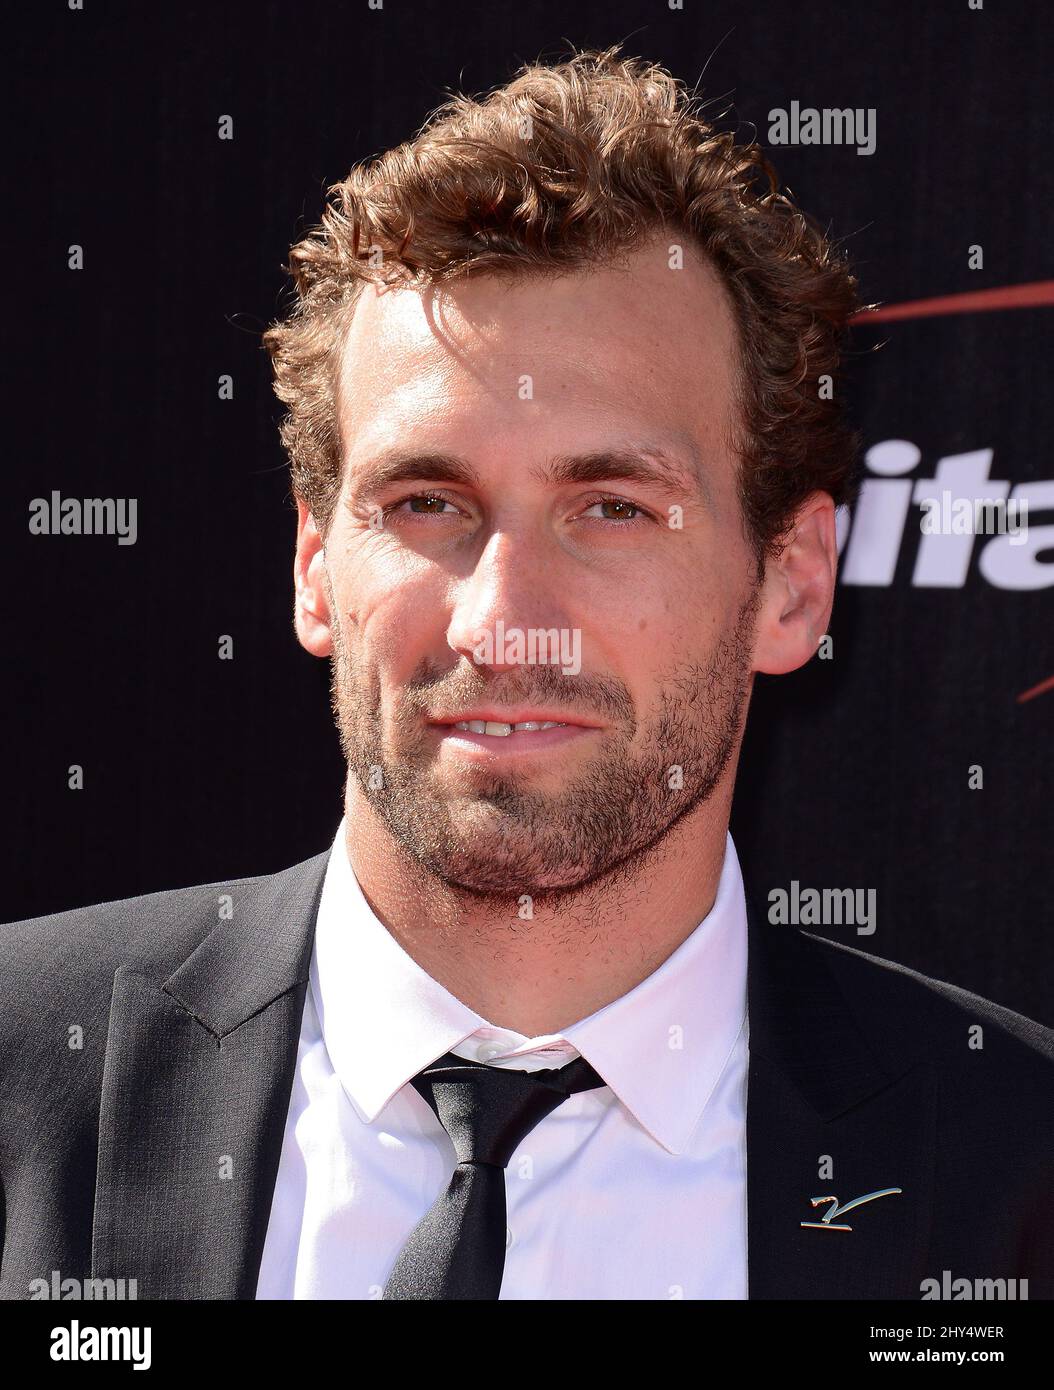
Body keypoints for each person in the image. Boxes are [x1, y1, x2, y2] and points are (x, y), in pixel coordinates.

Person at [2, 45, 1050, 1302]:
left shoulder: (1014, 1165)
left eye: (610, 506)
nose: (503, 620)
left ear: (791, 581)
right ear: (314, 566)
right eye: (428, 499)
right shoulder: (24, 1074)